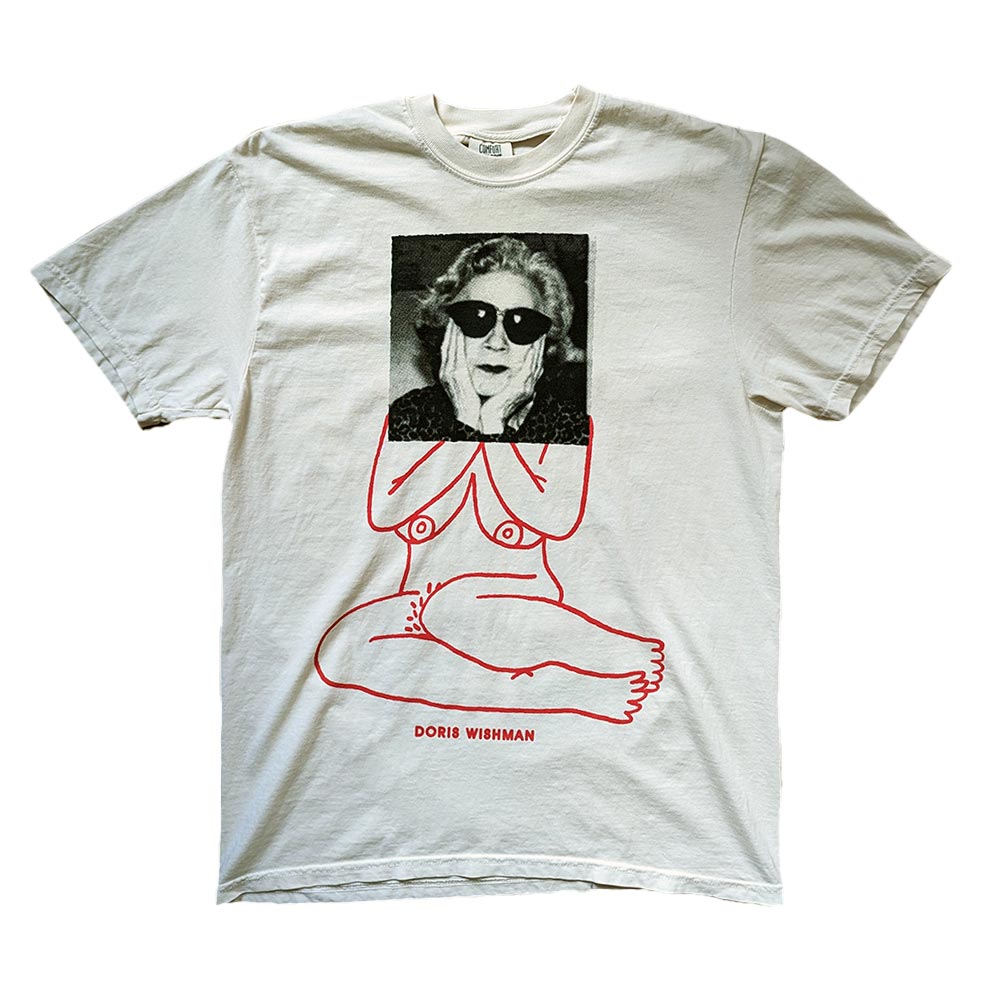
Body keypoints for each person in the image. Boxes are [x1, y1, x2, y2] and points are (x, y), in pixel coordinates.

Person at [389, 236, 590, 444]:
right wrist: (467, 418)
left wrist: (493, 420)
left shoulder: (574, 431)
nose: (496, 342)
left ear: (544, 342)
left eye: (521, 323)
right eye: (476, 318)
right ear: (446, 329)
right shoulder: (407, 419)